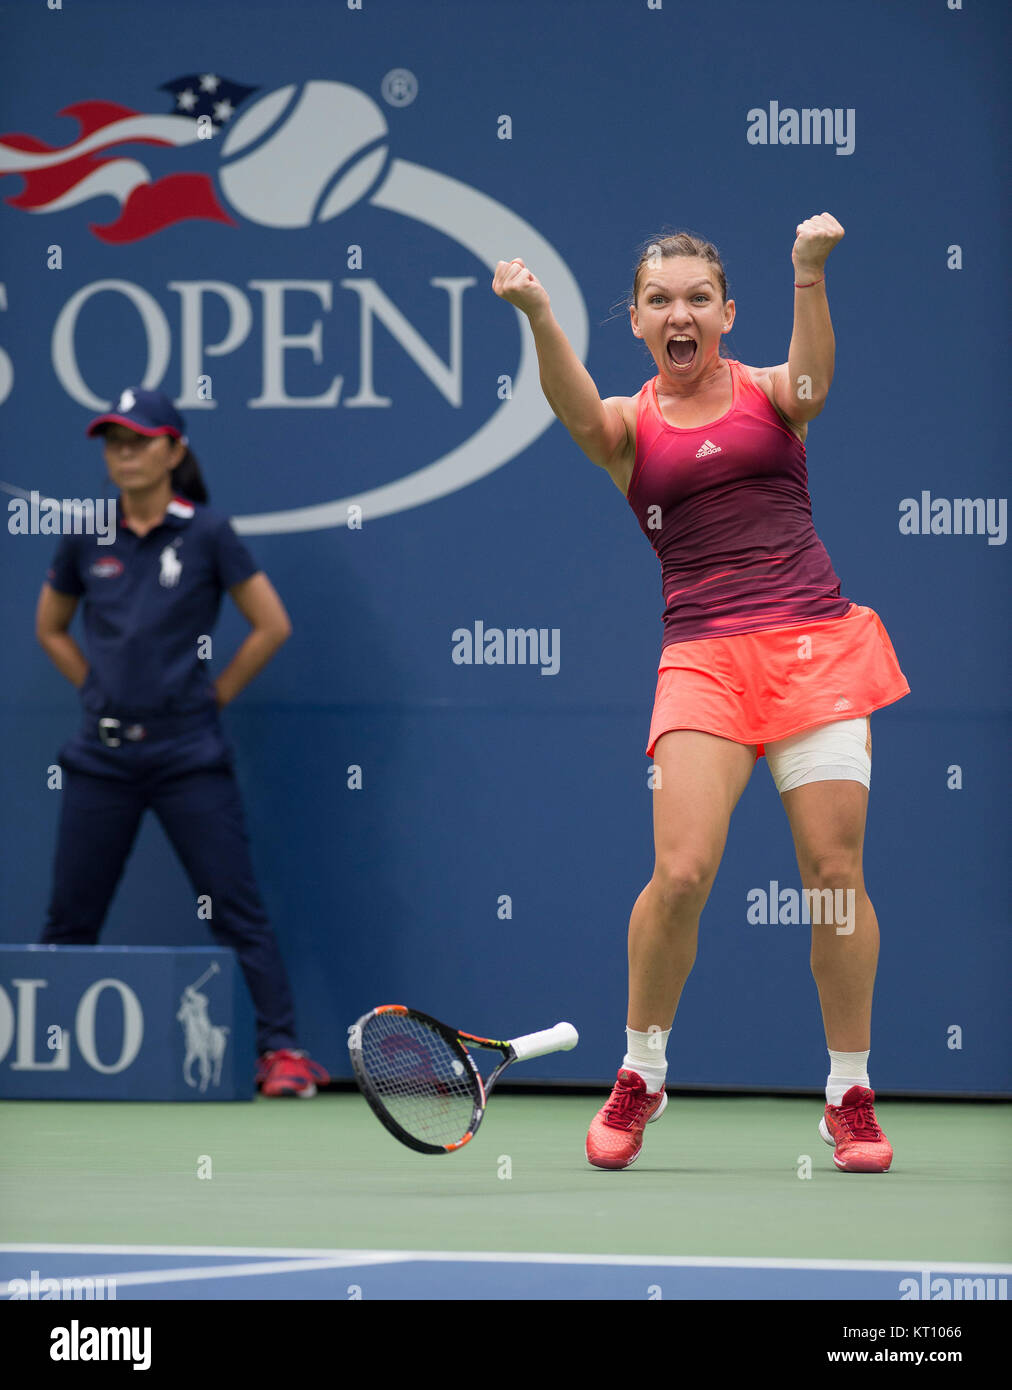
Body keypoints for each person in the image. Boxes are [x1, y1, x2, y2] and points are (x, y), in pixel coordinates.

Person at [492, 213, 909, 1173]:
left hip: (815, 647)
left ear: (725, 313)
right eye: (658, 301)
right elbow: (571, 406)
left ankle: (849, 1090)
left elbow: (815, 381)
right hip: (705, 660)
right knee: (680, 874)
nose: (679, 314)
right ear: (636, 321)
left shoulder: (771, 393)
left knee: (834, 877)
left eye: (696, 299)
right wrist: (538, 315)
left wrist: (810, 272)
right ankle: (642, 1070)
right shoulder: (627, 427)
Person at [36, 387, 329, 1099]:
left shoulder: (208, 533)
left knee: (235, 906)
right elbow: (51, 627)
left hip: (187, 756)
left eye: (140, 440)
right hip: (99, 759)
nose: (125, 453)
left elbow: (272, 625)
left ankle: (280, 1052)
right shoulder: (85, 536)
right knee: (70, 914)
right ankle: (39, 1049)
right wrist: (97, 692)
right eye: (114, 442)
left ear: (174, 450)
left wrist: (212, 696)